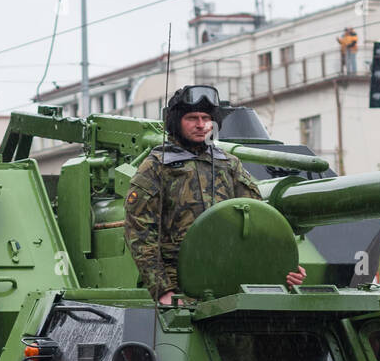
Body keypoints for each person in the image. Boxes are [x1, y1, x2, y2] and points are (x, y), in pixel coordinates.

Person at [124, 84, 305, 303]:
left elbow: (258, 220)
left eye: (206, 118)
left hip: (228, 281)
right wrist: (163, 290)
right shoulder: (156, 167)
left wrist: (285, 266)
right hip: (180, 286)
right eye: (192, 118)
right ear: (176, 121)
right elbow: (140, 234)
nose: (201, 125)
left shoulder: (228, 164)